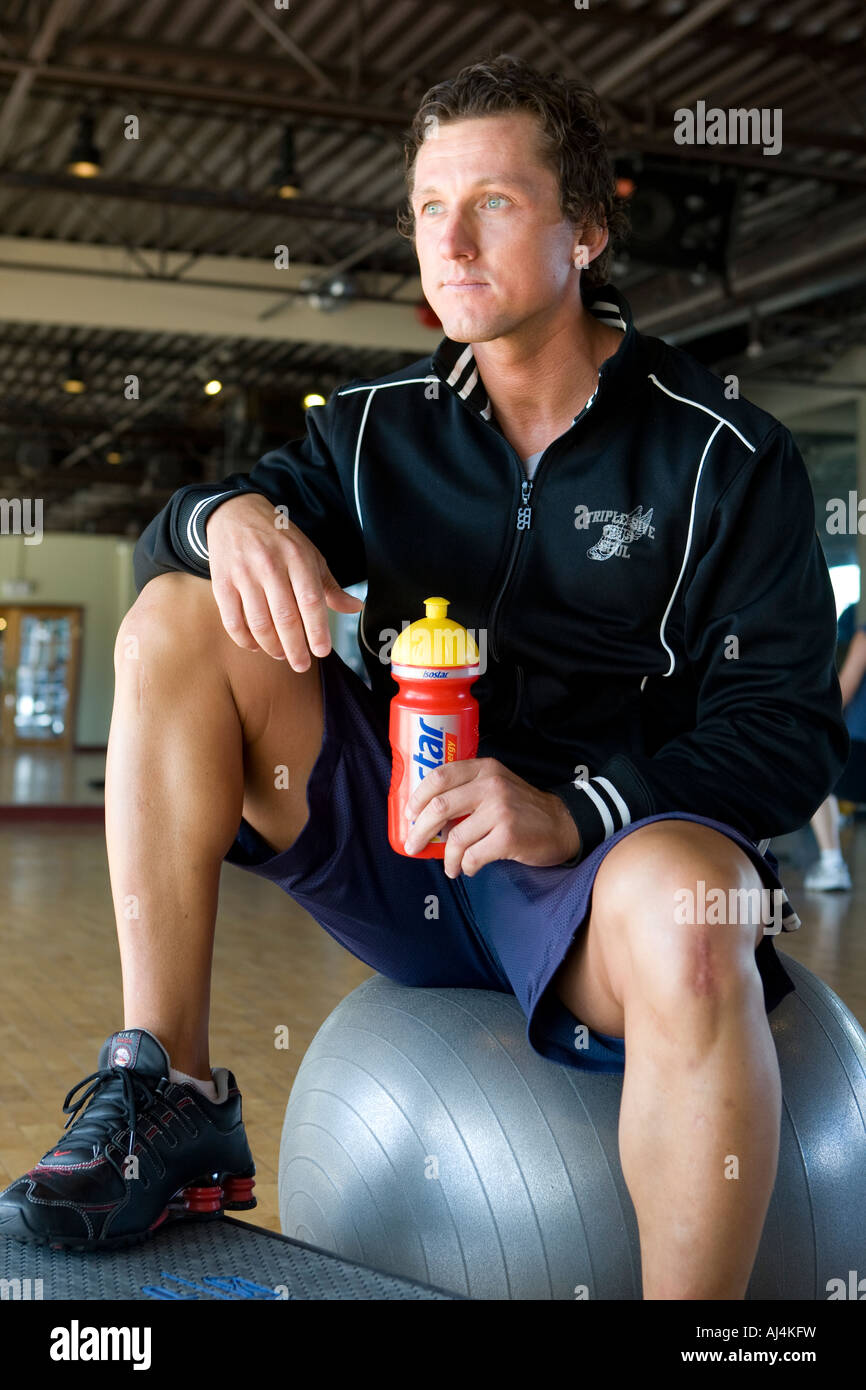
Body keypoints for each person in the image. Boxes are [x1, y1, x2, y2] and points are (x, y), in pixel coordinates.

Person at [0, 55, 848, 1300]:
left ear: (586, 228)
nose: (446, 241)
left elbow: (786, 732)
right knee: (179, 615)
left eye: (493, 203)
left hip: (597, 885)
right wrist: (225, 516)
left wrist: (577, 810)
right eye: (424, 207)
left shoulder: (723, 453)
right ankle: (169, 1093)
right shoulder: (374, 425)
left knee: (690, 905)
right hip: (405, 836)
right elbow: (171, 546)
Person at [804, 620, 866, 890]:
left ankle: (832, 864)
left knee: (814, 776)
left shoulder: (864, 635)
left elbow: (845, 689)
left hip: (861, 743)